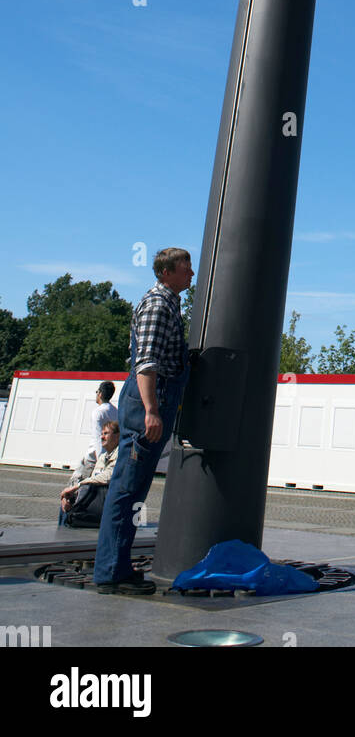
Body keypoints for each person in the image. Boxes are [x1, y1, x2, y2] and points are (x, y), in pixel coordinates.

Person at [93, 247, 193, 595]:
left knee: (133, 487)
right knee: (127, 487)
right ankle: (110, 571)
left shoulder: (169, 303)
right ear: (166, 272)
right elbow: (146, 362)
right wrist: (151, 409)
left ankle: (116, 566)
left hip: (155, 400)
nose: (191, 274)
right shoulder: (157, 304)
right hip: (148, 402)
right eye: (185, 268)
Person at [58, 420, 119, 527]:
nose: (102, 437)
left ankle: (65, 533)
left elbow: (106, 477)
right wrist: (69, 495)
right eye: (101, 434)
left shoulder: (120, 456)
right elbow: (89, 478)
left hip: (107, 503)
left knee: (73, 513)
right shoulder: (102, 457)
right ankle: (62, 535)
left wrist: (77, 487)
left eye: (106, 433)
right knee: (66, 503)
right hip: (95, 499)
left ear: (117, 436)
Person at [91, 381, 117, 458]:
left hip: (94, 456)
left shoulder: (98, 412)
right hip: (112, 455)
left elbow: (98, 436)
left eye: (97, 392)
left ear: (100, 394)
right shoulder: (116, 411)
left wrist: (100, 460)